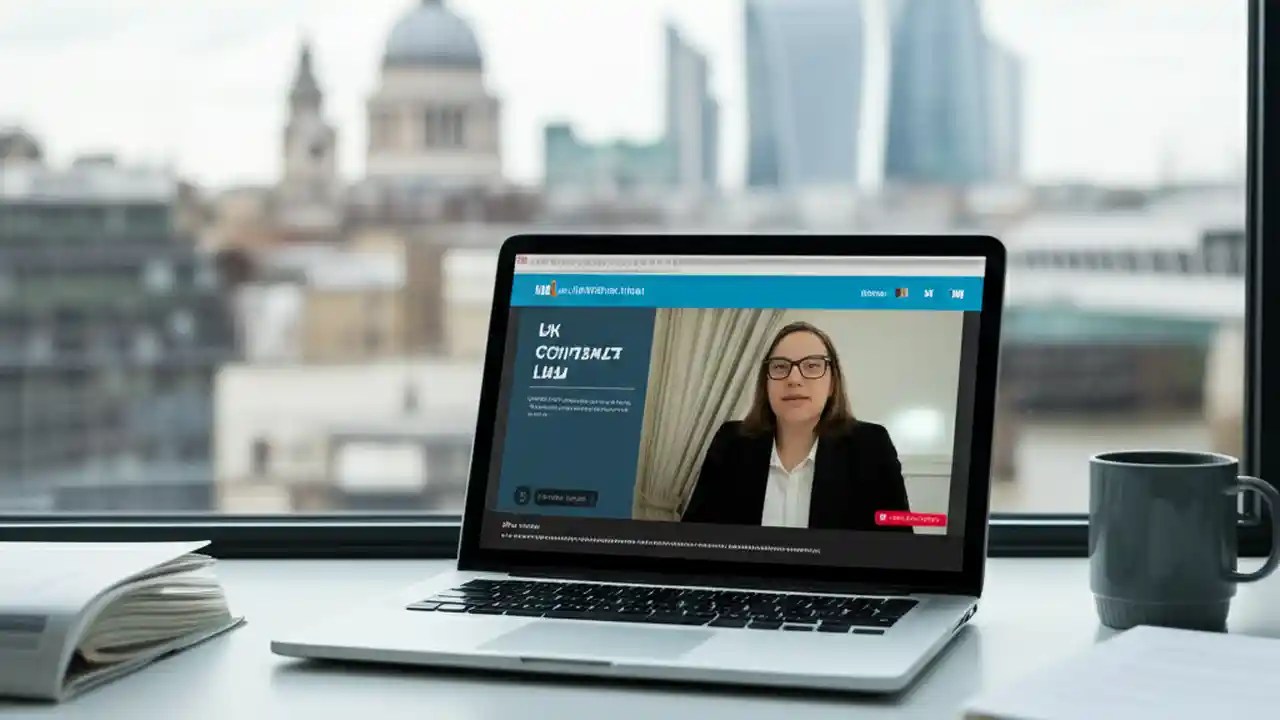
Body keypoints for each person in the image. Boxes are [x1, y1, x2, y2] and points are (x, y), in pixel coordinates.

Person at [681, 321, 912, 532]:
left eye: (812, 366)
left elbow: (897, 552)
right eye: (780, 367)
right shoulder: (731, 442)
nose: (794, 379)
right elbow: (695, 540)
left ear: (832, 384)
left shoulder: (871, 446)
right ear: (766, 383)